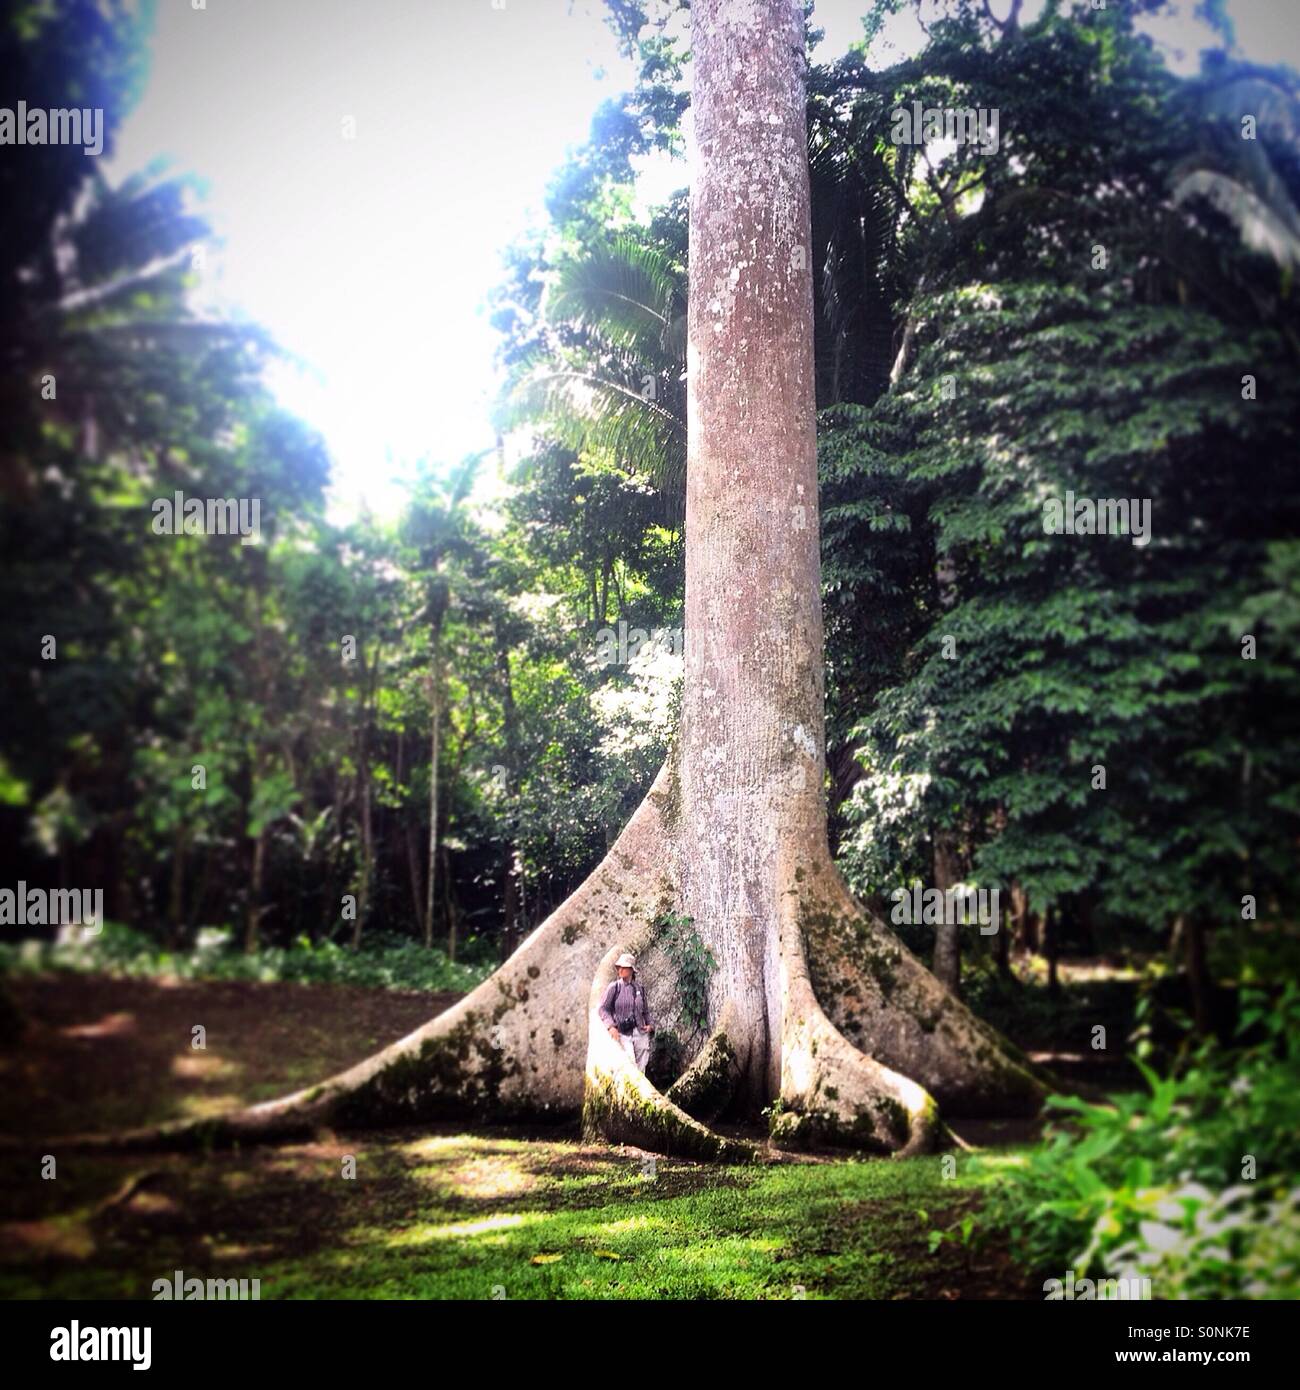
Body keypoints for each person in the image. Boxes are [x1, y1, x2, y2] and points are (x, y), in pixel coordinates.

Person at [597, 951, 655, 1073]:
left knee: (642, 1064)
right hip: (623, 1033)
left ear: (631, 970)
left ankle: (640, 1089)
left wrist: (650, 1025)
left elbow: (646, 1011)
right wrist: (611, 1027)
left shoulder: (640, 989)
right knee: (630, 1063)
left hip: (640, 1031)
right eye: (619, 967)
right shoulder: (614, 987)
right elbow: (603, 1009)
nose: (620, 970)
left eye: (624, 967)